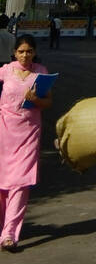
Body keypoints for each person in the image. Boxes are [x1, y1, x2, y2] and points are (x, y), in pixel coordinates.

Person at [0, 33, 53, 250]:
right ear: (14, 53)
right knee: (3, 184)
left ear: (34, 52)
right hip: (4, 132)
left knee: (21, 181)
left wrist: (36, 100)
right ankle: (3, 225)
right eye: (21, 51)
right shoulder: (5, 71)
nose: (25, 55)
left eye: (29, 51)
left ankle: (10, 233)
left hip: (29, 133)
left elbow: (48, 102)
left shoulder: (41, 72)